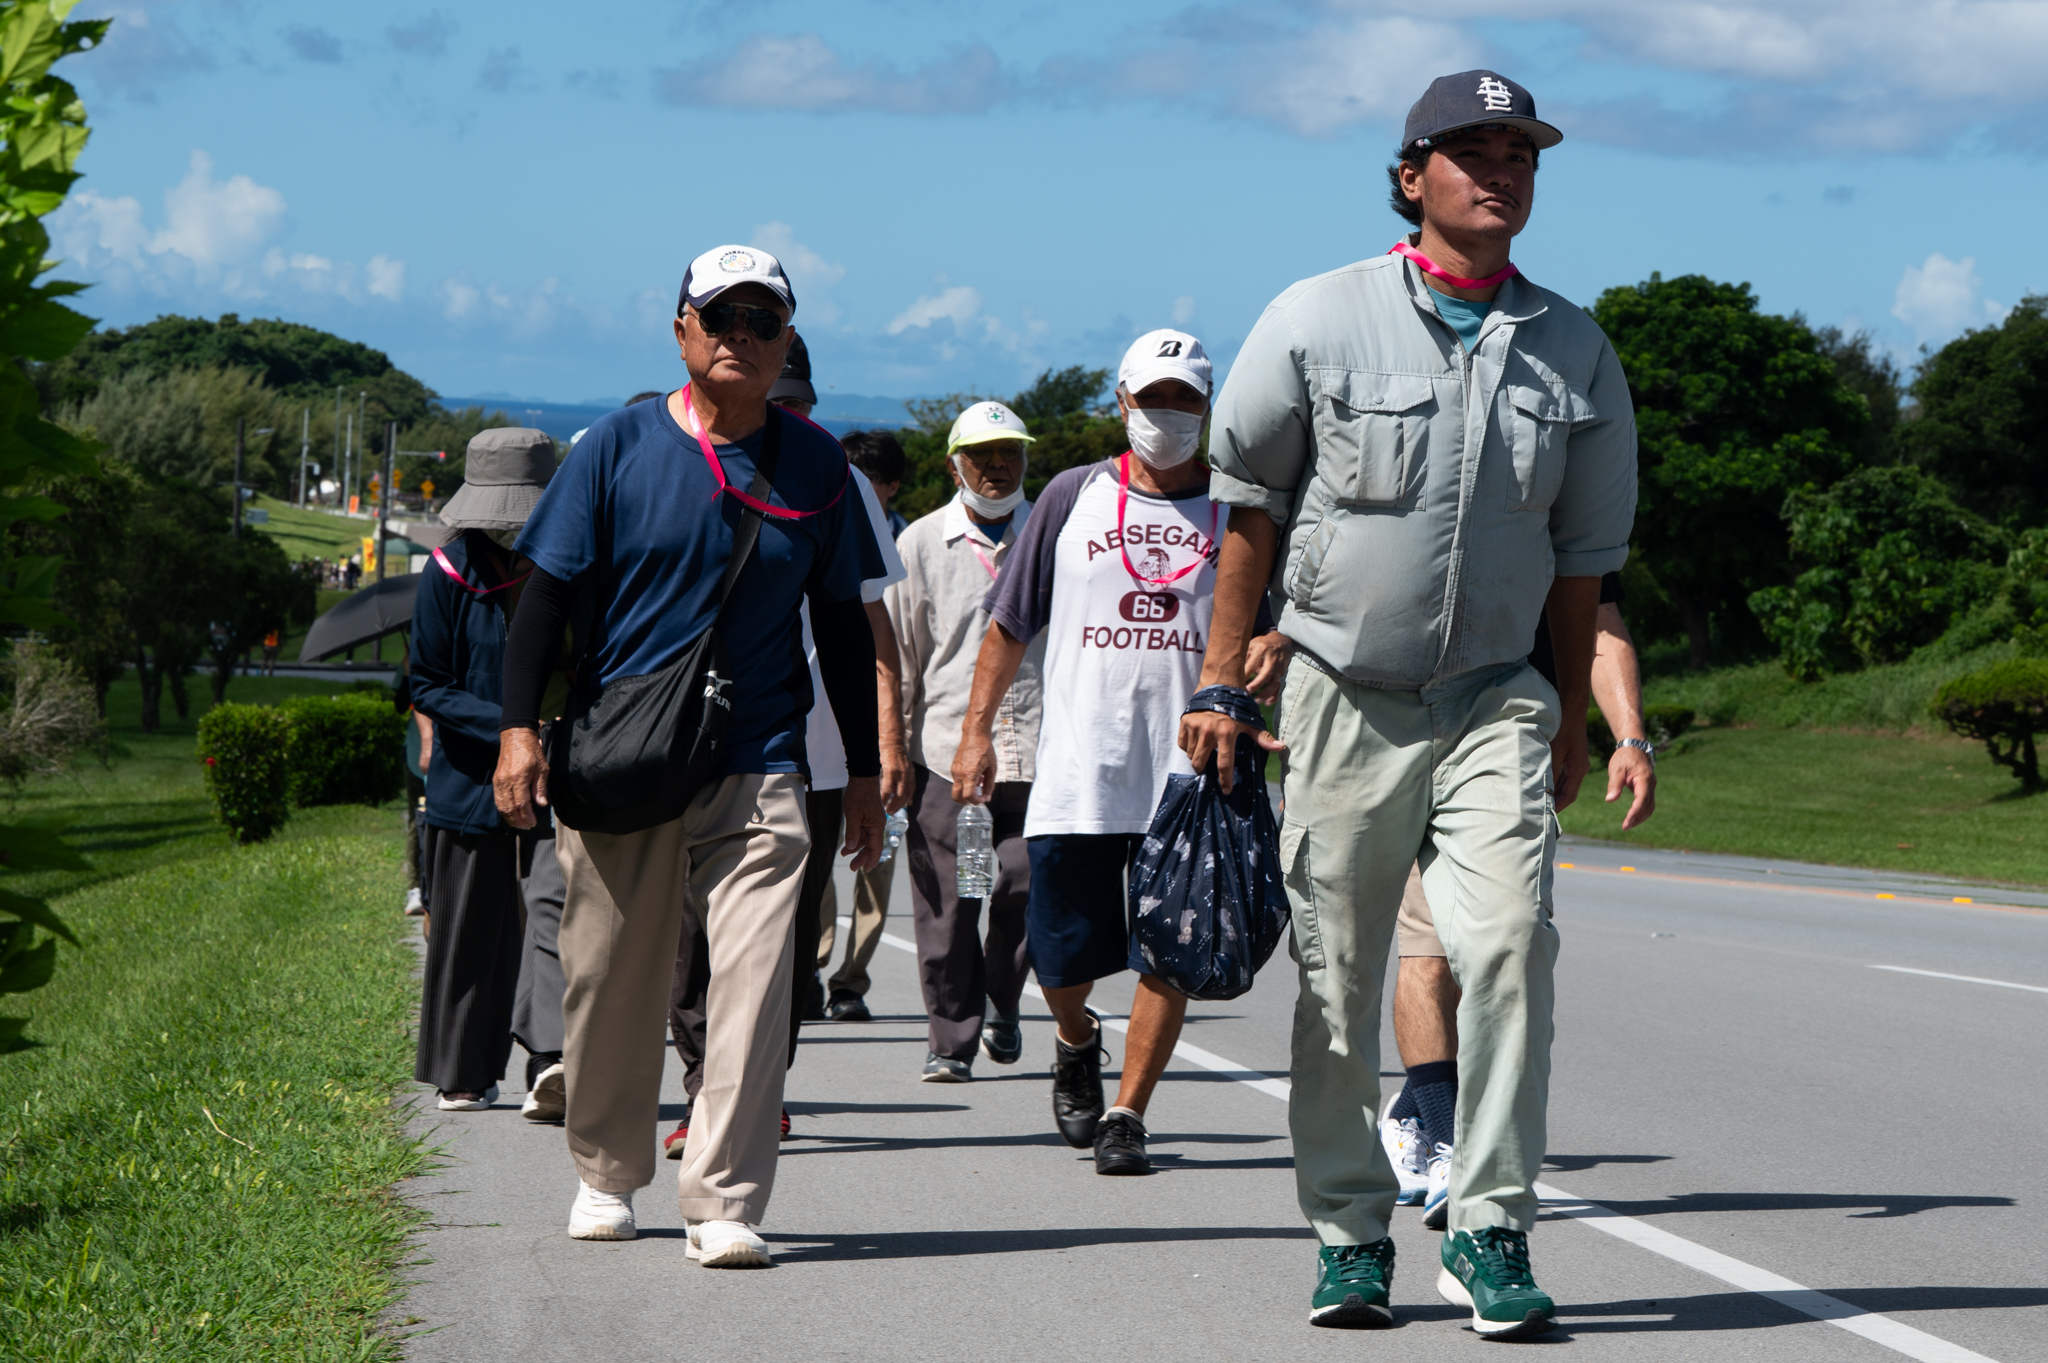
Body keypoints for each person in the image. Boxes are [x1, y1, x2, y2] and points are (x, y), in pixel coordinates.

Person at [1181, 71, 1636, 1336]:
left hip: (1496, 698)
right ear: (1408, 174)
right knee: (1335, 973)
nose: (1500, 171)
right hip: (1338, 692)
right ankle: (1346, 1234)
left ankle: (1486, 1225)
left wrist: (1577, 728)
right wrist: (1222, 675)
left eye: (1521, 153)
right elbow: (1248, 514)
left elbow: (1582, 563)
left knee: (1503, 949)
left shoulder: (1572, 346)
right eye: (1470, 150)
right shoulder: (1317, 317)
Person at [493, 244, 886, 1268]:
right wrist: (518, 729)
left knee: (756, 986)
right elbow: (543, 597)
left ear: (786, 342)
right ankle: (605, 1171)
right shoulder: (615, 448)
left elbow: (841, 622)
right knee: (609, 976)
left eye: (763, 322)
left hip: (760, 757)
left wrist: (869, 775)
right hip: (627, 754)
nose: (741, 338)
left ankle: (723, 1198)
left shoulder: (818, 465)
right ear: (681, 332)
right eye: (721, 318)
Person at [961, 332, 1287, 1173]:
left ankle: (1128, 1112)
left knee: (1170, 948)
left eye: (1185, 400)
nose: (1167, 416)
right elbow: (1008, 622)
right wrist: (976, 732)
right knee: (1057, 950)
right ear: (1122, 402)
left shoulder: (1239, 513)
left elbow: (1276, 625)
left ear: (1208, 409)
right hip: (1080, 765)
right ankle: (1075, 1037)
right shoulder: (1073, 496)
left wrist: (1274, 649)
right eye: (1153, 399)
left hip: (1191, 777)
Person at [661, 347, 908, 1154]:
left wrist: (883, 749)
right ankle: (706, 1087)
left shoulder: (831, 474)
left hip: (820, 755)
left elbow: (872, 629)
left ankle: (759, 1085)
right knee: (691, 929)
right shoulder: (682, 462)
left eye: (796, 401)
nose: (785, 414)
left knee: (787, 937)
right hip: (691, 736)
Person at [1381, 575, 1657, 1226]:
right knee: (1429, 953)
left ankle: (1426, 1111)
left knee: (1507, 948)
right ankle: (1450, 1137)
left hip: (1507, 743)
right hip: (1397, 735)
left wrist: (1630, 738)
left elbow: (1599, 620)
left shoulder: (1555, 482)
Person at [886, 400, 1044, 1083]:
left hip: (1041, 749)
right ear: (954, 464)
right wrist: (891, 750)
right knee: (952, 901)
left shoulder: (1055, 533)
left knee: (1024, 882)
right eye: (981, 455)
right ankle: (950, 1039)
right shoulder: (920, 544)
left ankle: (1003, 999)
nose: (997, 466)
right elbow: (897, 657)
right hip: (949, 755)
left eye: (1009, 452)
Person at [409, 427, 560, 1114]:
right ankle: (463, 1069)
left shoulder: (566, 565)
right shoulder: (445, 574)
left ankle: (552, 1058)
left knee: (557, 919)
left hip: (561, 771)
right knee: (469, 928)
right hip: (470, 778)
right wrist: (507, 727)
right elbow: (429, 684)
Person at [819, 430, 915, 1024]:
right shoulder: (827, 532)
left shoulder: (912, 541)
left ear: (890, 487)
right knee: (818, 854)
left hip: (892, 723)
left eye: (869, 483)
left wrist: (895, 737)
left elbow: (896, 648)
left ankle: (850, 980)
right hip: (832, 723)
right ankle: (814, 958)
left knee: (878, 859)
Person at [845, 428, 910, 540]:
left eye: (868, 479)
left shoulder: (907, 538)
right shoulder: (826, 534)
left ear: (892, 487)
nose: (855, 487)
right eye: (848, 477)